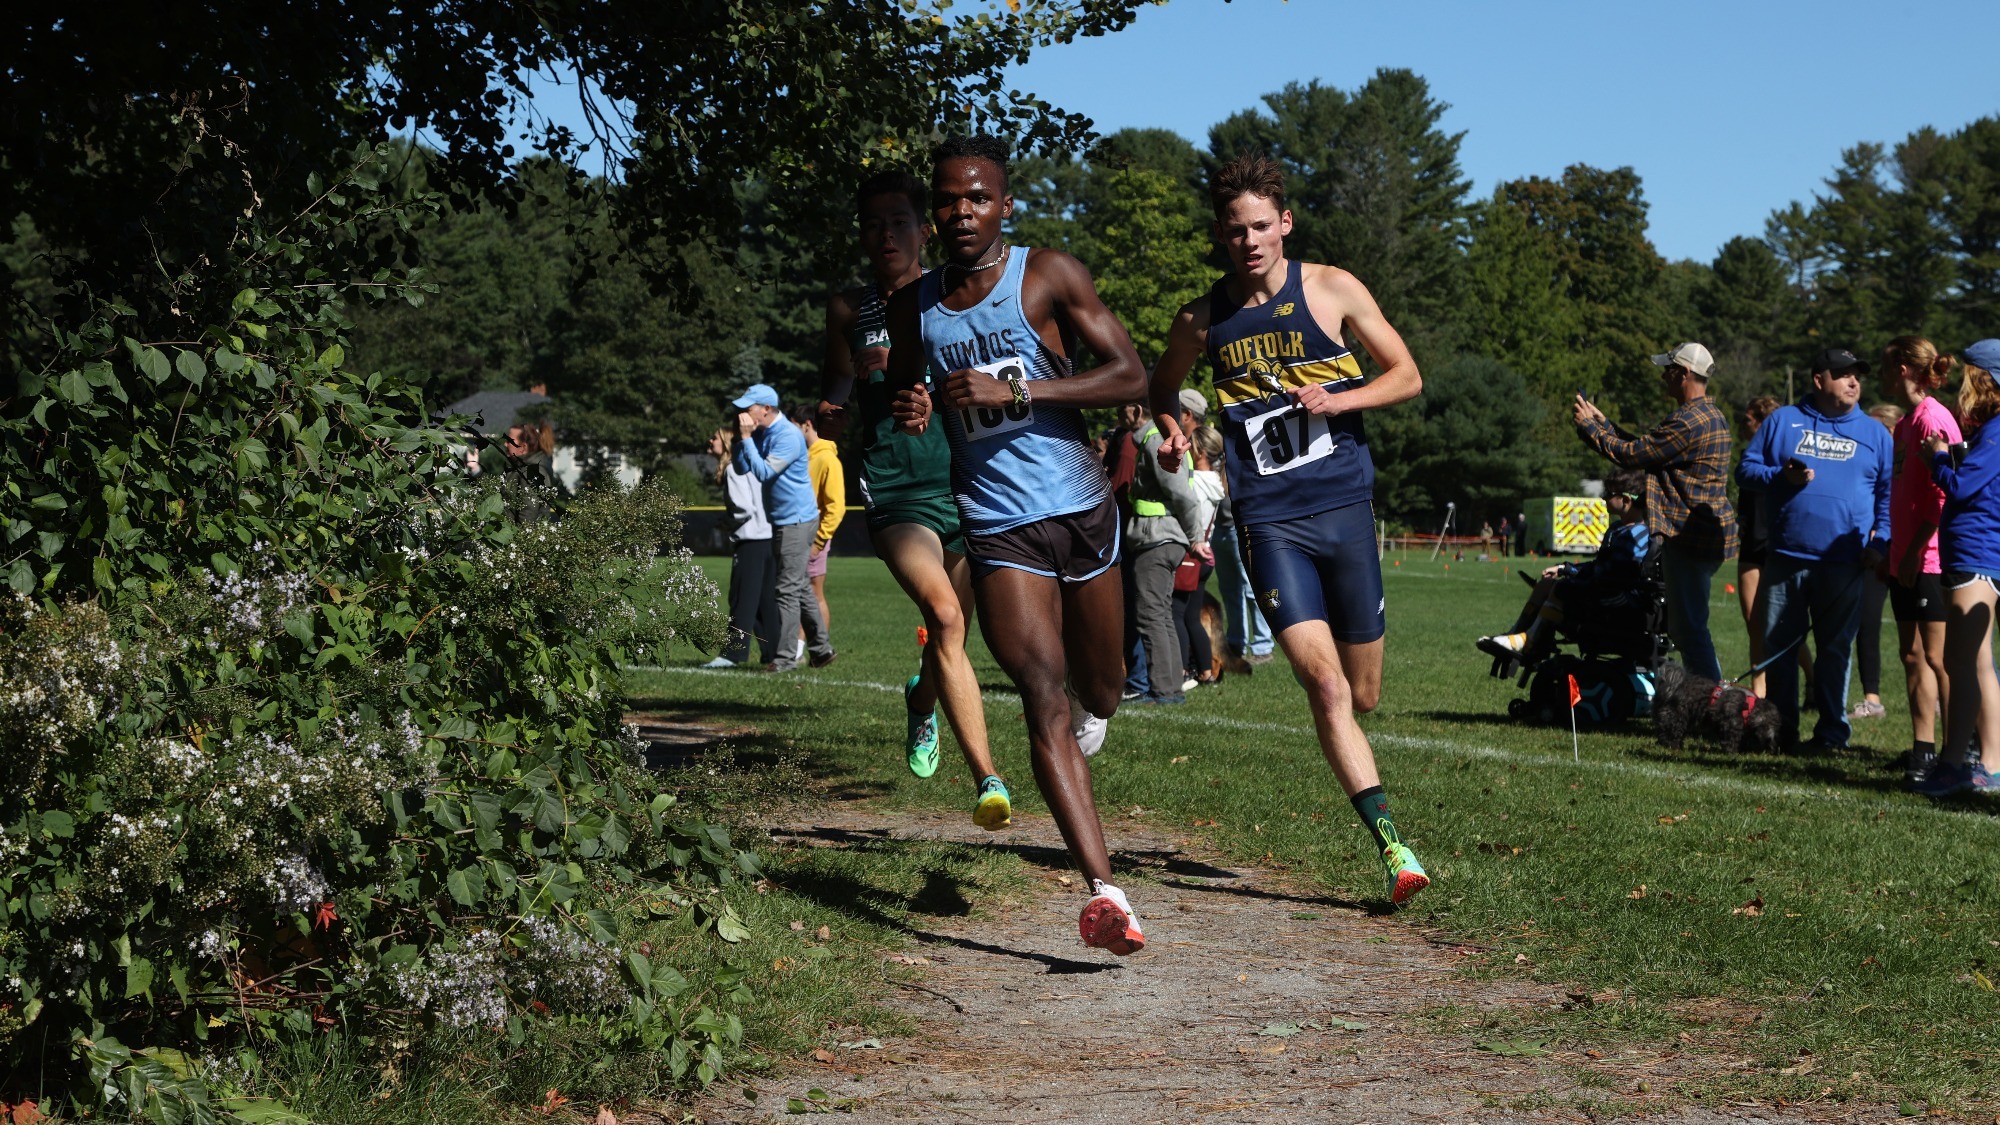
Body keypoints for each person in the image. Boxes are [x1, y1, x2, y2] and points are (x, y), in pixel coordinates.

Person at [889, 134, 1150, 952]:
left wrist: (1020, 389)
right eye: (947, 200)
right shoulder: (913, 303)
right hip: (998, 525)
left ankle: (1094, 711)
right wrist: (911, 404)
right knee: (1043, 693)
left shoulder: (1048, 275)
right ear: (933, 214)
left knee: (1101, 690)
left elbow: (1132, 375)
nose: (962, 212)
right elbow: (904, 383)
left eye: (978, 198)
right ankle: (1107, 892)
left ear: (1005, 205)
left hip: (1082, 511)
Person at [1149, 152, 1430, 907]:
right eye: (1235, 229)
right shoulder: (1202, 319)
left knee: (1363, 693)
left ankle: (1370, 786)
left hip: (1345, 511)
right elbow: (1160, 384)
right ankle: (1395, 850)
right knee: (1325, 685)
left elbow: (1407, 375)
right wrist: (1171, 428)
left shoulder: (1332, 288)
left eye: (1260, 226)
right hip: (1270, 522)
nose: (1249, 241)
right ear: (1221, 234)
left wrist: (1342, 400)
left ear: (1285, 223)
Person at [817, 170, 1007, 826]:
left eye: (899, 221)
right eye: (873, 224)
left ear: (924, 230)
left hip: (969, 483)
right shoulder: (849, 310)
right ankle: (988, 779)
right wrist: (833, 411)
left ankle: (921, 699)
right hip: (896, 490)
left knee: (954, 631)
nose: (886, 235)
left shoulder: (955, 299)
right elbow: (835, 387)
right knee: (945, 618)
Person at [1736, 347, 1894, 751]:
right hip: (1786, 558)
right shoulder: (1783, 421)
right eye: (1843, 374)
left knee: (1834, 652)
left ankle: (1831, 735)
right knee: (1779, 650)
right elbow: (1745, 470)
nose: (1853, 381)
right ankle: (1780, 731)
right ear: (1819, 380)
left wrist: (1880, 542)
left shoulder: (1875, 433)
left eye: (1857, 375)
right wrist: (1781, 476)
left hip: (1845, 563)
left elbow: (1887, 497)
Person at [1573, 343, 1738, 682]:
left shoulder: (1688, 421)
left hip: (1688, 537)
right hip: (1703, 536)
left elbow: (1633, 456)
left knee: (1689, 629)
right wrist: (1607, 426)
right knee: (1687, 626)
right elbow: (1652, 450)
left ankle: (1709, 699)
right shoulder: (1708, 415)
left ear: (1684, 373)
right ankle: (1708, 695)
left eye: (1668, 369)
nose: (1664, 376)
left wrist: (1590, 429)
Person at [1917, 340, 2000, 796]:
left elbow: (1963, 488)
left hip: (1978, 555)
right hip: (1979, 555)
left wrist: (1938, 457)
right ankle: (1988, 765)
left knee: (1962, 663)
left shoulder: (1997, 432)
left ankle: (1960, 764)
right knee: (1978, 663)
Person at [1880, 338, 1962, 785]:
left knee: (1939, 657)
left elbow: (1942, 497)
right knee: (1911, 655)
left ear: (1903, 369)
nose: (1880, 375)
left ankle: (1956, 752)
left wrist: (1914, 551)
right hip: (1903, 557)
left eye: (1885, 366)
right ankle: (1923, 750)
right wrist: (1895, 550)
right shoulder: (1904, 424)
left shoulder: (1933, 419)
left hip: (1929, 558)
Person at [1476, 468, 1651, 665]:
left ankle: (1531, 640)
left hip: (1620, 598)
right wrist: (1564, 568)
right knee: (1546, 584)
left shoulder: (1637, 535)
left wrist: (1575, 577)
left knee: (1562, 588)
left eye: (1608, 494)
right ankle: (1516, 633)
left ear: (1626, 500)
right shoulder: (1617, 529)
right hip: (1606, 587)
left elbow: (1614, 574)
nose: (1603, 498)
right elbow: (1599, 566)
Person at [732, 383, 836, 673]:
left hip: (797, 521)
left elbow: (764, 472)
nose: (743, 414)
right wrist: (742, 439)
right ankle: (822, 649)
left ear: (766, 409)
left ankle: (786, 658)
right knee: (799, 584)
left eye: (748, 408)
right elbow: (741, 468)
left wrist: (746, 437)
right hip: (783, 520)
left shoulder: (788, 435)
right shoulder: (760, 433)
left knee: (786, 589)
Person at [1127, 387, 1211, 705]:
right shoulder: (1166, 440)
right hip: (1165, 537)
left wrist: (1196, 538)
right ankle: (1171, 688)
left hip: (1156, 538)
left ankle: (1164, 691)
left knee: (1152, 615)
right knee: (1161, 615)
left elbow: (1182, 495)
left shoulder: (1158, 440)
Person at [1736, 396, 1815, 697]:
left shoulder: (1787, 460)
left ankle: (1812, 677)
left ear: (1762, 422)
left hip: (1777, 545)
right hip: (1751, 546)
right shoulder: (1747, 460)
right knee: (1753, 622)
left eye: (1747, 419)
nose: (1742, 424)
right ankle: (1759, 691)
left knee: (1780, 625)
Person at [1848, 402, 1904, 721]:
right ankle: (1872, 699)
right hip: (1876, 550)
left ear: (1891, 430)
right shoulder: (1871, 461)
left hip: (1907, 550)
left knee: (1922, 629)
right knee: (1867, 621)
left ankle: (1939, 695)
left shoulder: (1907, 464)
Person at [707, 427, 778, 669]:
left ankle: (732, 654)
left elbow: (744, 508)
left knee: (741, 598)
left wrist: (726, 522)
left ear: (726, 443)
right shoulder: (752, 466)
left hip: (750, 541)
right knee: (765, 602)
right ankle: (775, 653)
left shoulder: (733, 468)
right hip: (768, 538)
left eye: (715, 437)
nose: (710, 441)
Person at [787, 404, 848, 661]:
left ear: (807, 425)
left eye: (793, 427)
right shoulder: (806, 456)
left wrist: (819, 540)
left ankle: (811, 649)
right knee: (802, 593)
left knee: (813, 594)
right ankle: (811, 650)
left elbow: (836, 506)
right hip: (798, 535)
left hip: (813, 537)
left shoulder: (826, 458)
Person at [1181, 424, 1228, 686]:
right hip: (1206, 555)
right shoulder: (1215, 482)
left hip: (1191, 555)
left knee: (1182, 616)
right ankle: (1206, 671)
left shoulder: (1196, 482)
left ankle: (1189, 670)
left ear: (1199, 451)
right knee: (1191, 617)